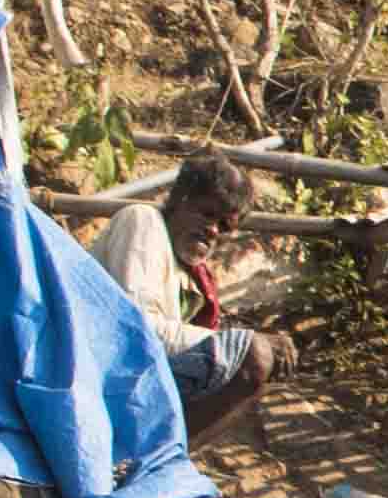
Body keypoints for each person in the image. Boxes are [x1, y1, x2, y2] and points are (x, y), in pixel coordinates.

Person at [94, 151, 282, 446]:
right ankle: (140, 457)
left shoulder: (191, 277)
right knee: (253, 355)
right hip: (97, 368)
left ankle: (156, 458)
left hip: (133, 380)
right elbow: (138, 330)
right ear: (181, 200)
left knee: (253, 373)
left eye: (224, 227)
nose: (213, 230)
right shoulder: (142, 221)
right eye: (207, 214)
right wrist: (244, 344)